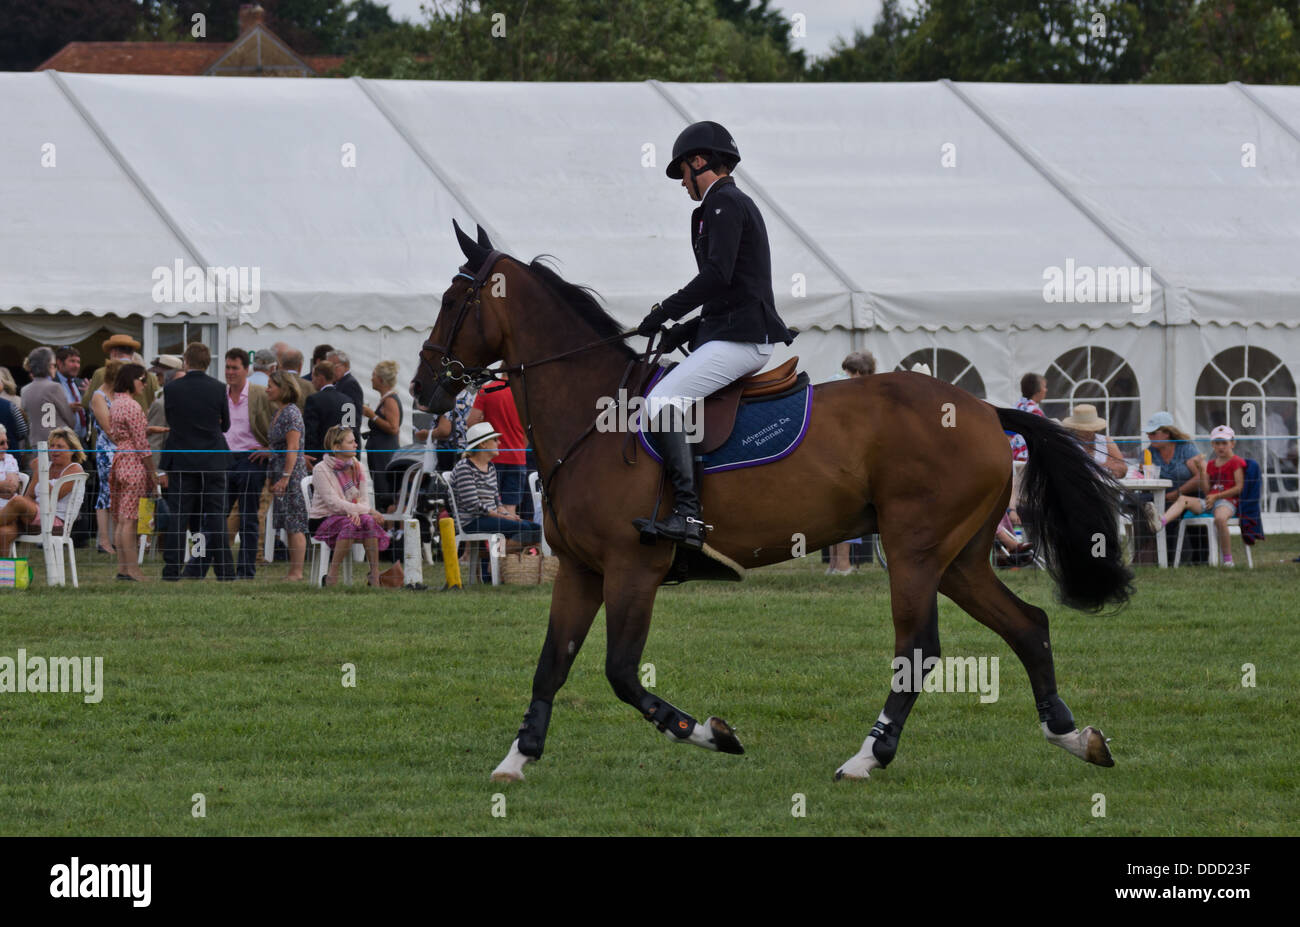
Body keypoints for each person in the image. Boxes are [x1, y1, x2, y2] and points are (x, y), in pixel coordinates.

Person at [636, 121, 796, 548]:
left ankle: (688, 515)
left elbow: (716, 276)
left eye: (682, 172)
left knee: (662, 402)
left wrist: (662, 312)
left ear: (699, 161)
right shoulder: (719, 206)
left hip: (743, 339)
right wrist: (684, 330)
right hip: (732, 330)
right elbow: (730, 287)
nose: (681, 183)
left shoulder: (724, 203)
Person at [160, 342, 234, 582]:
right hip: (213, 458)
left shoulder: (172, 389)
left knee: (178, 515)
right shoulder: (219, 388)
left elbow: (172, 421)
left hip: (182, 458)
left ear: (186, 361)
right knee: (216, 515)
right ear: (208, 362)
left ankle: (171, 570)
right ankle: (224, 571)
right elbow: (226, 426)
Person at [309, 425, 388, 587]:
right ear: (336, 447)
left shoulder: (357, 466)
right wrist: (369, 511)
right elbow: (334, 504)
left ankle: (374, 575)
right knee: (355, 521)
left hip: (350, 515)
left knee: (368, 521)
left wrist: (359, 511)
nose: (356, 445)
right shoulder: (320, 469)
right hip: (324, 518)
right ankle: (332, 575)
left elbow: (364, 499)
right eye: (351, 442)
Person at [1156, 425, 1246, 566]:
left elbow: (1239, 487)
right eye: (1217, 443)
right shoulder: (1210, 464)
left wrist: (1217, 496)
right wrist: (1201, 470)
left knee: (1220, 518)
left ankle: (1228, 558)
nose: (1220, 447)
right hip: (1210, 501)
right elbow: (1206, 489)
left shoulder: (1236, 462)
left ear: (1232, 444)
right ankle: (1160, 522)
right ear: (1212, 445)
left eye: (1224, 443)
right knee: (1183, 499)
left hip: (1227, 502)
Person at [450, 423, 543, 551]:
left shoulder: (491, 467)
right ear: (483, 444)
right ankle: (497, 560)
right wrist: (503, 516)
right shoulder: (465, 468)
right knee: (524, 529)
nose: (499, 443)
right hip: (471, 522)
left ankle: (498, 559)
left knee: (537, 529)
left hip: (489, 517)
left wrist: (508, 515)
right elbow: (473, 505)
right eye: (495, 440)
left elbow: (496, 502)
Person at [222, 349, 272, 580]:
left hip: (251, 459)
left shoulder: (259, 394)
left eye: (235, 368)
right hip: (224, 460)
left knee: (249, 516)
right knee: (217, 515)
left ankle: (246, 570)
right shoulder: (219, 394)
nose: (230, 372)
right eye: (228, 367)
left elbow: (285, 421)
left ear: (246, 370)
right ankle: (219, 568)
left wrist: (270, 449)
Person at [826, 351, 876, 574]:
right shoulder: (853, 390)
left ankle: (835, 564)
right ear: (859, 373)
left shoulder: (832, 383)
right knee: (849, 513)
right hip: (847, 457)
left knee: (833, 514)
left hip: (830, 455)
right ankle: (843, 564)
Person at [0, 428, 85, 556]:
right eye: (52, 445)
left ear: (72, 450)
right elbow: (29, 496)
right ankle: (4, 574)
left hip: (55, 522)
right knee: (4, 532)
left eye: (60, 446)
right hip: (33, 518)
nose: (54, 449)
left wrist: (41, 471)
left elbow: (54, 496)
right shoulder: (46, 466)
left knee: (17, 500)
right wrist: (41, 471)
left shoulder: (74, 469)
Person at [108, 363, 157, 582]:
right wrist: (152, 471)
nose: (144, 384)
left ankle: (122, 568)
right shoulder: (133, 406)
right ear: (131, 380)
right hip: (134, 462)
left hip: (119, 458)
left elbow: (122, 432)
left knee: (121, 519)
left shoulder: (116, 403)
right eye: (142, 379)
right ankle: (133, 570)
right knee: (129, 520)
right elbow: (141, 443)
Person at [266, 371, 309, 581]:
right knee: (288, 523)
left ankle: (297, 571)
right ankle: (293, 570)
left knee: (295, 523)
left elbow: (292, 448)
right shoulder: (279, 412)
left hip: (291, 474)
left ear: (283, 388)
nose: (267, 389)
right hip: (281, 472)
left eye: (271, 385)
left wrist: (285, 476)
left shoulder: (291, 413)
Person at [469, 378, 528, 516]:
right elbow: (528, 428)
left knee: (489, 506)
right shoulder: (522, 393)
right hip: (518, 457)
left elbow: (471, 422)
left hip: (490, 458)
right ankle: (508, 538)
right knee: (510, 508)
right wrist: (520, 448)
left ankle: (493, 538)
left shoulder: (485, 391)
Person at [87, 358, 123, 555]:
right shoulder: (99, 397)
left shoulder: (118, 394)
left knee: (118, 493)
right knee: (106, 493)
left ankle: (117, 538)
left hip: (121, 448)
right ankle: (104, 540)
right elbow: (108, 428)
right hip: (107, 448)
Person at [362, 360, 403, 513]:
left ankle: (388, 526)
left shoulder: (390, 400)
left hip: (384, 456)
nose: (371, 379)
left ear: (381, 379)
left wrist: (372, 415)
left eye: (373, 375)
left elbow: (393, 428)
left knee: (385, 493)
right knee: (380, 491)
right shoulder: (386, 399)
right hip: (380, 454)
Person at [20, 346, 80, 449]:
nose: (55, 368)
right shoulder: (54, 387)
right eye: (53, 365)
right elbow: (70, 420)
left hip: (35, 442)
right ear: (47, 366)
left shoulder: (24, 390)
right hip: (57, 443)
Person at [83, 334, 158, 413]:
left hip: (109, 423)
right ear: (132, 353)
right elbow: (158, 402)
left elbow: (87, 403)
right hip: (142, 423)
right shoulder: (149, 376)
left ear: (114, 352)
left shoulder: (101, 373)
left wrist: (87, 391)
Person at [1060, 404, 1127, 479]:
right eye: (1083, 430)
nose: (1087, 432)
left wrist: (1116, 469)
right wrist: (1101, 465)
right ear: (1076, 428)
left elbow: (1123, 469)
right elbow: (1064, 468)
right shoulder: (1068, 442)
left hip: (1104, 486)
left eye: (1090, 429)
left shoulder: (1106, 441)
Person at [304, 361, 350, 466]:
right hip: (343, 457)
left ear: (320, 377)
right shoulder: (348, 400)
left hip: (320, 459)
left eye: (313, 377)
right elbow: (352, 430)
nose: (312, 381)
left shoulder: (313, 400)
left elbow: (311, 432)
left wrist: (311, 456)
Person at [53, 346, 90, 445]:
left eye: (78, 362)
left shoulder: (81, 383)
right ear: (59, 363)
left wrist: (90, 396)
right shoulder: (51, 384)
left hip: (82, 441)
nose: (76, 365)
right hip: (61, 441)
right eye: (72, 361)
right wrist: (67, 409)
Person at [1009, 372, 1048, 463]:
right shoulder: (1035, 412)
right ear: (1037, 391)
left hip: (1013, 454)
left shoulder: (1017, 405)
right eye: (1044, 387)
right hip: (1027, 458)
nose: (1046, 390)